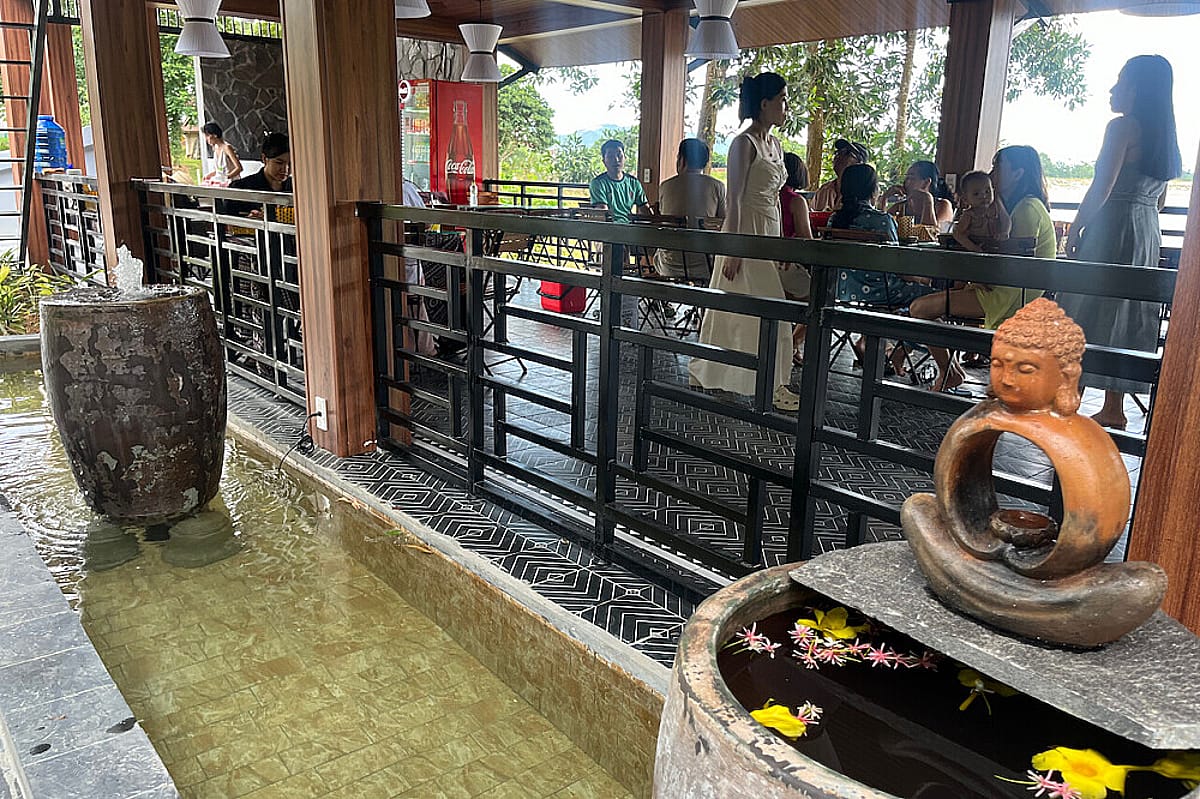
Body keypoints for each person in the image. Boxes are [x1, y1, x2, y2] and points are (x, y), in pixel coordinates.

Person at [1055, 55, 1182, 431]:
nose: (1113, 89)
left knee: (1086, 305)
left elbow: (1102, 186)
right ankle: (1114, 406)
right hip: (1146, 229)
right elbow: (1159, 201)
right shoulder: (1164, 137)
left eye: (1120, 81)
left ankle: (1069, 401)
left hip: (1113, 227)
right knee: (1127, 311)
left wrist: (1076, 228)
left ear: (1138, 89)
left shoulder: (1122, 128)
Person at [688, 72, 799, 411]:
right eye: (781, 99)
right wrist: (733, 248)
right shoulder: (743, 143)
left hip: (768, 231)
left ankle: (767, 379)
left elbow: (777, 199)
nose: (786, 105)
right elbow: (734, 200)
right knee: (742, 310)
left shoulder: (776, 145)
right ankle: (765, 382)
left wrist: (780, 244)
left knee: (762, 310)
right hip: (744, 232)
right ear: (764, 104)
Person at [908, 145, 1056, 392]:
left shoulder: (1026, 209)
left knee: (920, 309)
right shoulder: (1012, 207)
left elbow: (1013, 262)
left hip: (1008, 296)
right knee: (921, 308)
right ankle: (951, 370)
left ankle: (949, 370)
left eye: (998, 166)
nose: (992, 172)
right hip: (999, 289)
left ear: (1017, 174)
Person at [831, 163, 936, 376]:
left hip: (843, 291)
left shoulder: (836, 220)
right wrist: (920, 279)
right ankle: (907, 353)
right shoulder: (882, 221)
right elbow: (896, 266)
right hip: (885, 293)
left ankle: (880, 346)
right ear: (873, 189)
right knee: (936, 302)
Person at [654, 138, 726, 278]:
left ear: (682, 160)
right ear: (704, 162)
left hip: (669, 266)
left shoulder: (665, 186)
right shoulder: (717, 186)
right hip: (705, 267)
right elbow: (723, 223)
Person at [779, 152, 813, 364]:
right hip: (786, 265)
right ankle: (793, 342)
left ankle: (789, 342)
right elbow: (806, 242)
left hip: (765, 266)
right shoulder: (795, 201)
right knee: (821, 299)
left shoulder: (765, 197)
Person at [223, 132, 292, 217]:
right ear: (264, 159)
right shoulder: (240, 188)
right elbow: (228, 223)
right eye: (279, 163)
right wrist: (248, 221)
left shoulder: (297, 188)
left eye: (290, 164)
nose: (285, 169)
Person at [588, 139, 647, 224]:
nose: (616, 159)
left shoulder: (633, 182)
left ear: (625, 158)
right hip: (609, 228)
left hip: (630, 227)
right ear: (604, 161)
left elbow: (644, 208)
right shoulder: (598, 183)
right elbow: (603, 213)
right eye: (610, 156)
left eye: (619, 155)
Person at [883, 160, 954, 231]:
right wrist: (884, 198)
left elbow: (932, 235)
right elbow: (881, 227)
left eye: (911, 178)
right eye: (906, 178)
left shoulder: (943, 205)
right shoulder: (900, 207)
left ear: (926, 182)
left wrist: (927, 200)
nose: (906, 182)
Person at [950, 171, 1011, 252]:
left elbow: (1006, 220)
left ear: (993, 191)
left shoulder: (997, 206)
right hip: (978, 247)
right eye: (976, 194)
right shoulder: (969, 214)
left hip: (996, 247)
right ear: (965, 199)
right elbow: (957, 233)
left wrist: (1005, 232)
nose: (983, 196)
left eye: (987, 191)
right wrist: (972, 247)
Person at [811, 138, 869, 211]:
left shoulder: (865, 192)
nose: (838, 156)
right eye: (837, 152)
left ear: (860, 163)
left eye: (846, 153)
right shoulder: (824, 190)